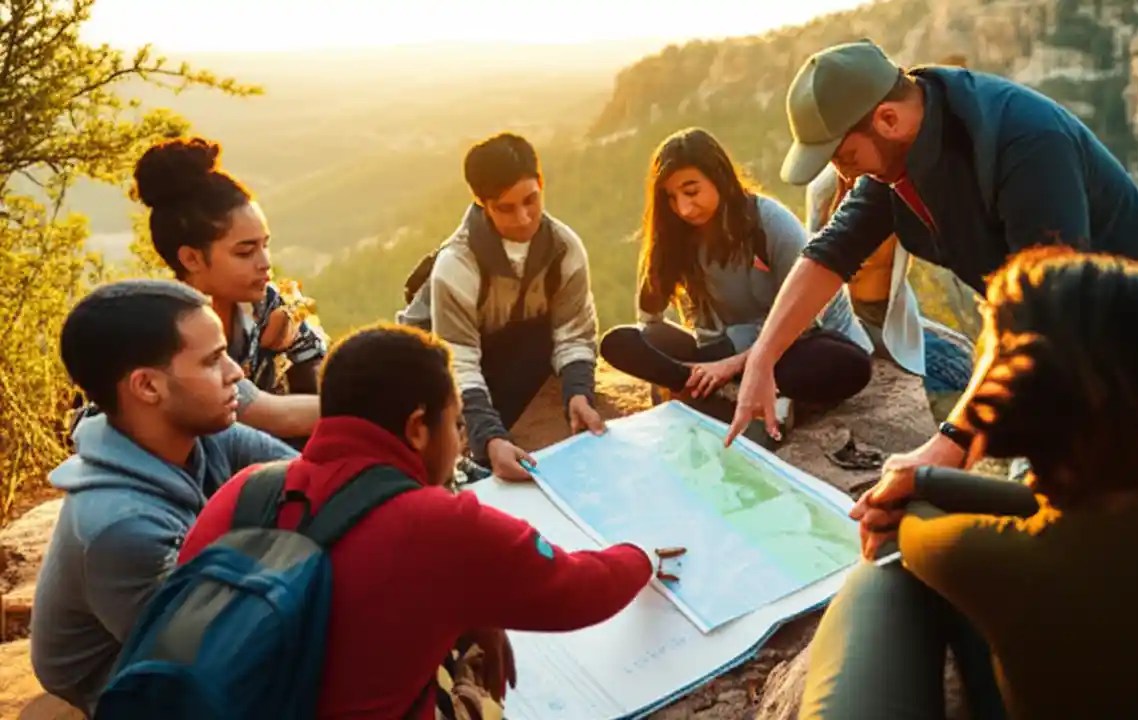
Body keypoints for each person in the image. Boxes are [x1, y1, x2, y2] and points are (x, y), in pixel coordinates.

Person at [803, 249, 1138, 719]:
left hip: (979, 576)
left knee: (880, 577)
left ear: (1021, 395)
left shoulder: (1004, 559)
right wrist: (924, 478)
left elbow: (908, 533)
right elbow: (1041, 513)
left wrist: (919, 486)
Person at [180, 323, 681, 717]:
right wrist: (640, 555)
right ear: (418, 428)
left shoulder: (245, 491)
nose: (462, 442)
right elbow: (579, 590)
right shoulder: (436, 525)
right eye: (458, 423)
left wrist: (471, 609)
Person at [726, 39, 1138, 464]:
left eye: (843, 156)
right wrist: (764, 357)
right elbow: (829, 254)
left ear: (887, 119)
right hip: (1063, 342)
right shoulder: (895, 163)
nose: (842, 172)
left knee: (1101, 505)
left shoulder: (1027, 143)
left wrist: (947, 445)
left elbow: (1045, 313)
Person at [31, 279, 298, 715]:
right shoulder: (120, 528)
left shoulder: (204, 434)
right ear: (148, 387)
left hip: (194, 629)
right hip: (117, 684)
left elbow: (311, 482)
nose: (237, 372)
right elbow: (207, 661)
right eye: (213, 361)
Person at [600, 128, 872, 447]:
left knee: (848, 364)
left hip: (798, 342)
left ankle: (735, 392)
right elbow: (649, 319)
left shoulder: (769, 223)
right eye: (672, 199)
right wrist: (698, 366)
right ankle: (702, 387)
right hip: (727, 344)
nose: (684, 208)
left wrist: (731, 365)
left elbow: (805, 320)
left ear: (719, 178)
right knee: (625, 341)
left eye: (692, 191)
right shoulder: (679, 236)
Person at [397, 133, 603, 482]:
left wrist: (578, 392)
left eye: (530, 200)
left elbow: (574, 331)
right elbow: (457, 358)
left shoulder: (564, 250)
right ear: (481, 203)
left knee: (539, 340)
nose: (523, 218)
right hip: (437, 365)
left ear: (541, 184)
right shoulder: (457, 264)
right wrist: (489, 436)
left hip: (508, 356)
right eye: (505, 208)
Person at [132, 136, 325, 442]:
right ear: (191, 258)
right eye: (245, 252)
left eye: (265, 246)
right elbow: (271, 416)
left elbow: (313, 360)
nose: (264, 263)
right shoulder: (171, 331)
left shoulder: (267, 303)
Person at [805, 163, 974, 410]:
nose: (860, 247)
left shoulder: (947, 357)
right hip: (848, 324)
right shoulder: (829, 200)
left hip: (891, 321)